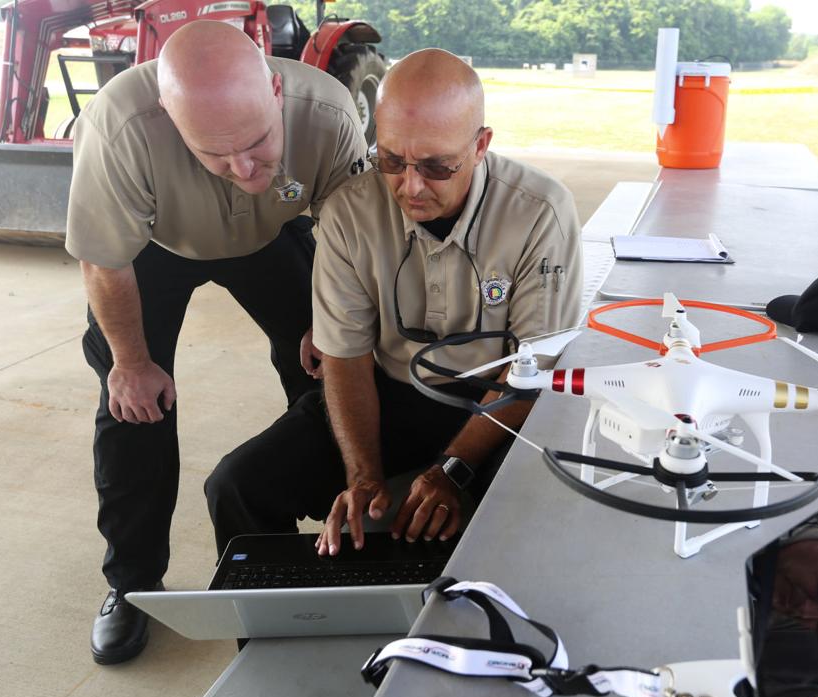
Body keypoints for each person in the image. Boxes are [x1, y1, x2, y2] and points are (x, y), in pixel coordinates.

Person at [205, 49, 582, 565]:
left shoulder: (540, 212)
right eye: (391, 161)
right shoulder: (349, 212)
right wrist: (363, 477)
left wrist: (453, 469)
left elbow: (532, 370)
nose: (411, 186)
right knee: (236, 485)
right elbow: (345, 356)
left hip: (495, 400)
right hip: (389, 390)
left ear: (480, 146)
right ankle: (277, 609)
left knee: (521, 518)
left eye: (436, 166)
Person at [66, 20, 368, 665]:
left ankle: (342, 530)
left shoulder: (329, 112)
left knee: (329, 368)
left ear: (276, 91)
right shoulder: (119, 125)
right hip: (153, 245)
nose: (242, 169)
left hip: (271, 233)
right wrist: (131, 362)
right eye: (215, 155)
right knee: (133, 404)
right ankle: (132, 583)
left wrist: (330, 318)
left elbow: (351, 234)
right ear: (171, 118)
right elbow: (104, 260)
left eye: (258, 143)